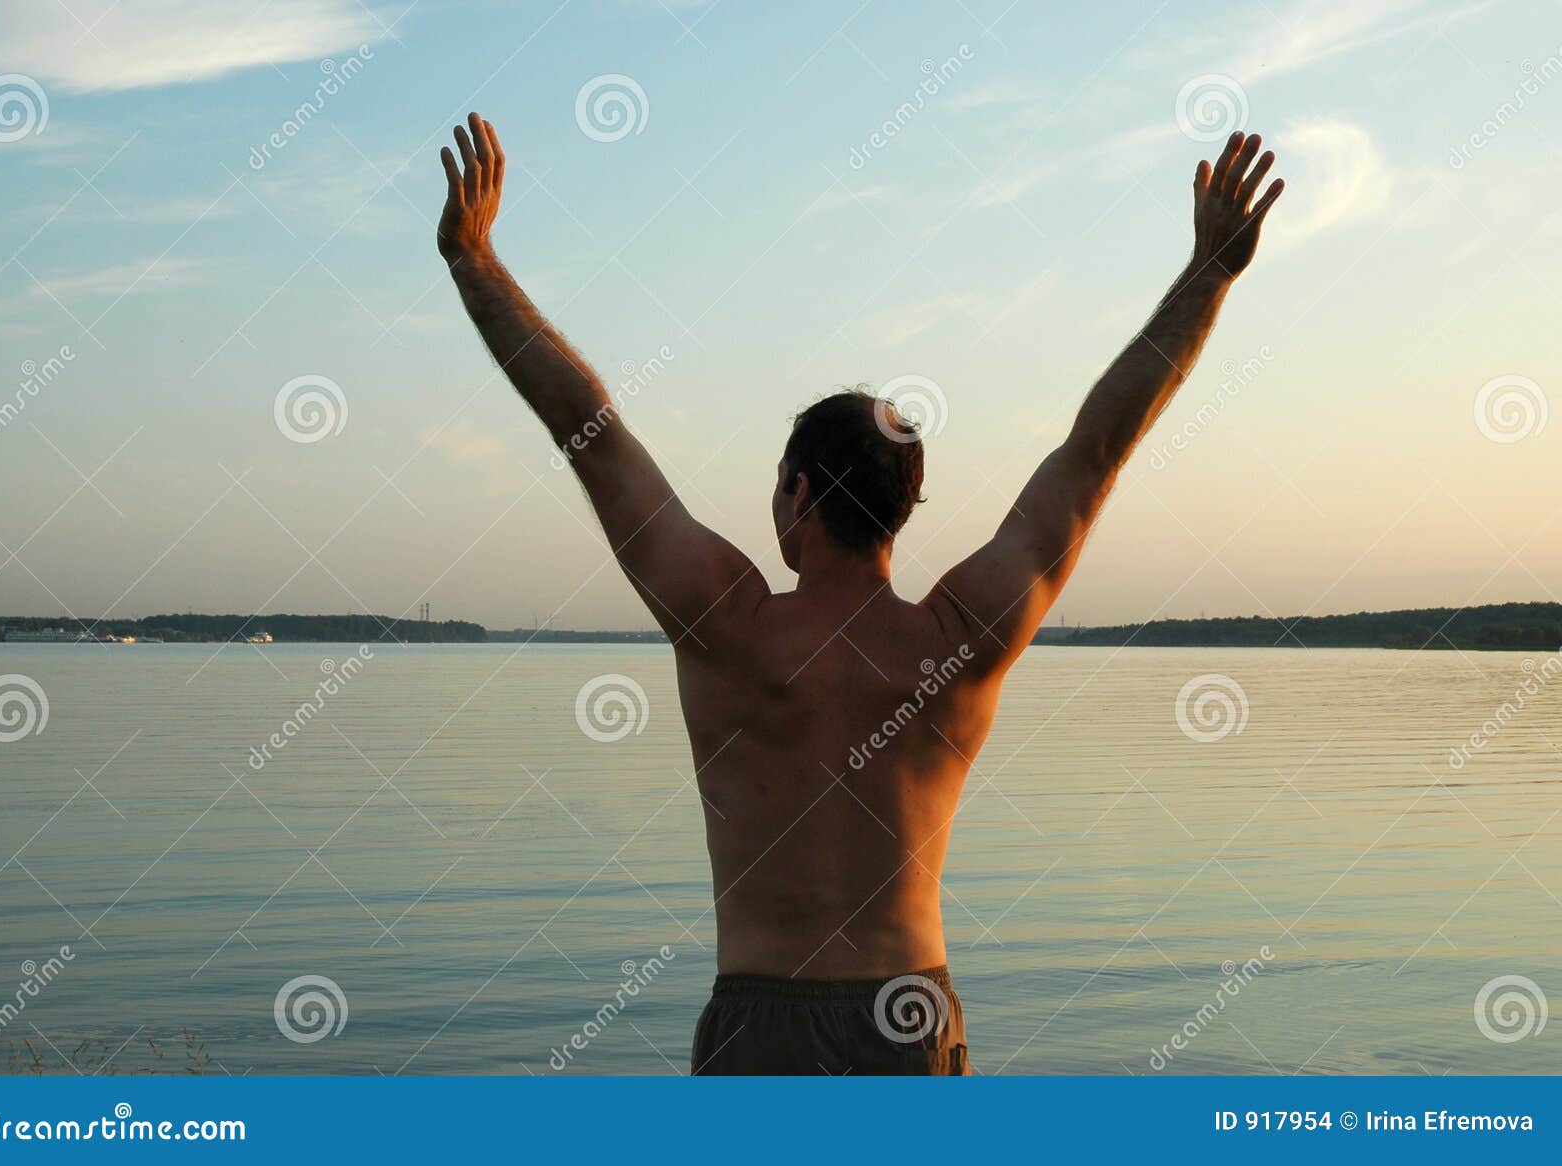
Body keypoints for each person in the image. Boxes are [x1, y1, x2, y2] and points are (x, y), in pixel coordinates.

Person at [436, 114, 1284, 1074]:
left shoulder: (726, 624)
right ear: (903, 507)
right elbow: (1095, 451)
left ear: (799, 492)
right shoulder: (961, 637)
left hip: (761, 1024)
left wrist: (474, 260)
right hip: (907, 1016)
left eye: (777, 486)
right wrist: (1210, 274)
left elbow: (587, 427)